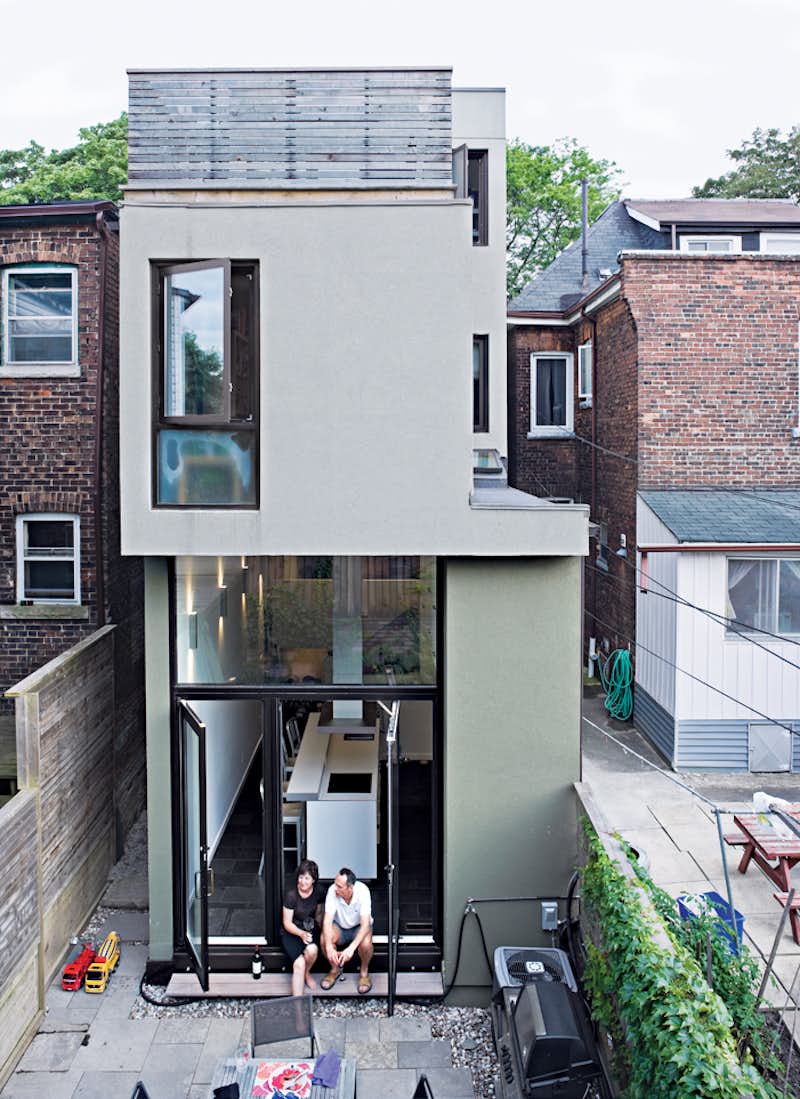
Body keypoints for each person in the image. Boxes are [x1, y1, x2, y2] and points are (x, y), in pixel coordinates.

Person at [320, 867, 374, 994]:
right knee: (324, 939)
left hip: (359, 926)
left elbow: (365, 924)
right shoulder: (332, 891)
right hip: (339, 927)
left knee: (366, 944)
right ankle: (335, 969)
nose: (335, 888)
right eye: (335, 884)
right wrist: (328, 946)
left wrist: (351, 949)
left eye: (339, 886)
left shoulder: (363, 891)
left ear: (350, 888)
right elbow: (327, 922)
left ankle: (364, 973)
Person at [281, 859, 326, 996]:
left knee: (312, 950)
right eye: (300, 877)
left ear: (313, 880)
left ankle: (307, 973)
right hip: (292, 932)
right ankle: (297, 1006)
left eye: (307, 878)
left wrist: (323, 929)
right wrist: (301, 934)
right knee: (298, 964)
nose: (302, 882)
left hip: (309, 929)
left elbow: (319, 913)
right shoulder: (291, 896)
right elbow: (287, 923)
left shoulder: (318, 891)